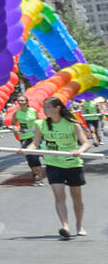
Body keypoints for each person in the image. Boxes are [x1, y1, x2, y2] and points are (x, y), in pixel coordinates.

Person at [32, 97, 92, 239]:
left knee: (76, 197)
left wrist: (79, 151)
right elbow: (35, 144)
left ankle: (79, 225)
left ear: (57, 108)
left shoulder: (72, 124)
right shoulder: (40, 124)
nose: (45, 110)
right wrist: (26, 150)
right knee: (59, 196)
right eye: (44, 107)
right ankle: (65, 226)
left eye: (47, 107)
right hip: (54, 164)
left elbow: (85, 143)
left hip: (72, 164)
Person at [9, 96, 46, 185]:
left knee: (35, 157)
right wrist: (15, 128)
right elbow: (12, 125)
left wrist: (40, 133)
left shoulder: (32, 111)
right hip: (24, 137)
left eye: (22, 100)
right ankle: (35, 175)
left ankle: (39, 178)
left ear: (27, 102)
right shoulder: (17, 113)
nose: (21, 102)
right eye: (19, 101)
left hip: (34, 137)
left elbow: (40, 122)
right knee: (30, 159)